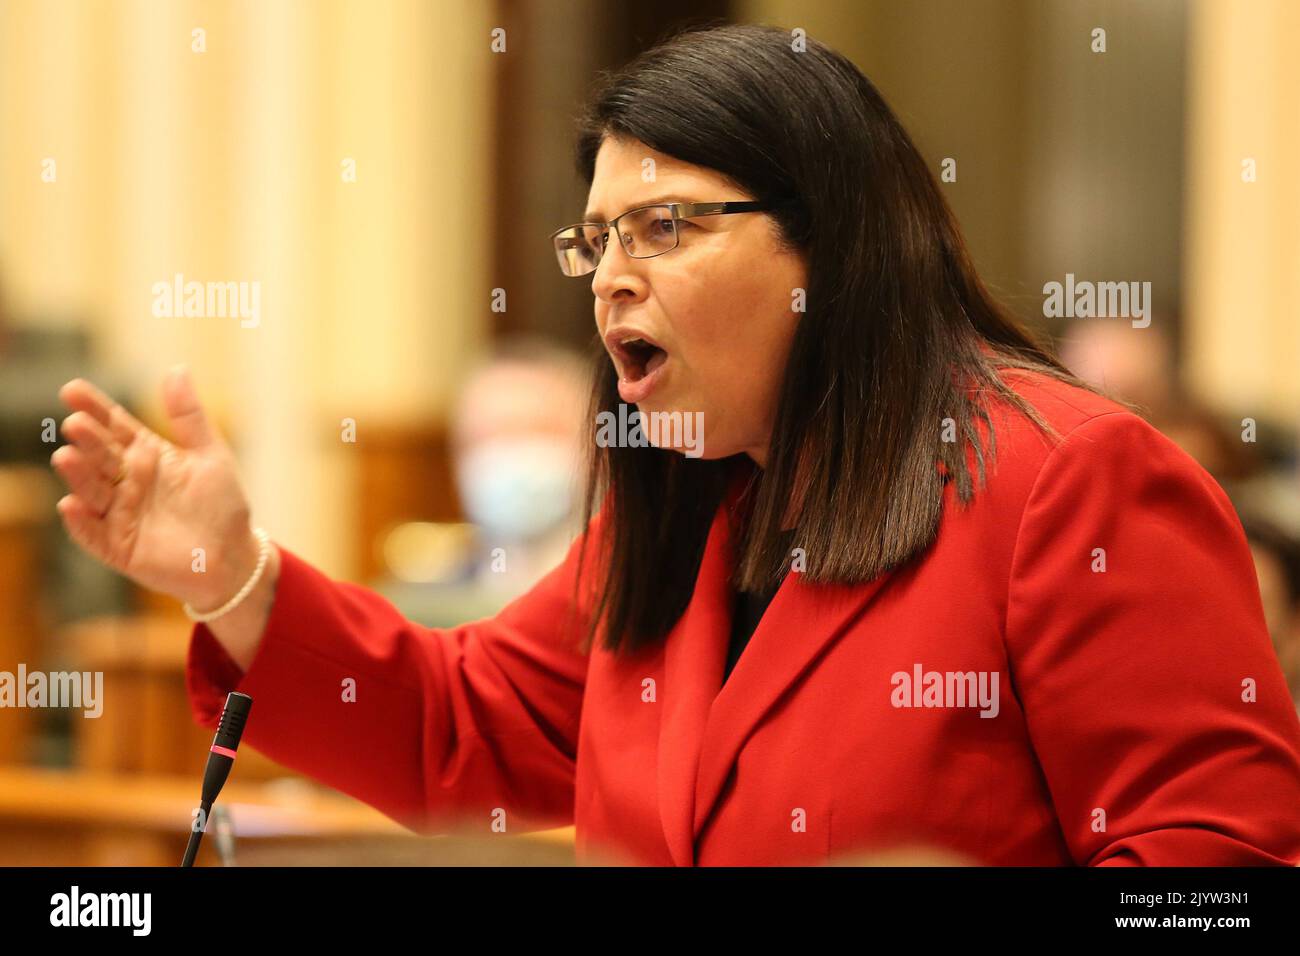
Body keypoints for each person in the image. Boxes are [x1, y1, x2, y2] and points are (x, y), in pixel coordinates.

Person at [51, 23, 1300, 866]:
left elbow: (1216, 869)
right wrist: (232, 576)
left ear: (832, 239)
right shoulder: (688, 508)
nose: (610, 283)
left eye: (662, 228)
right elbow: (456, 724)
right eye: (596, 242)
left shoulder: (1068, 483)